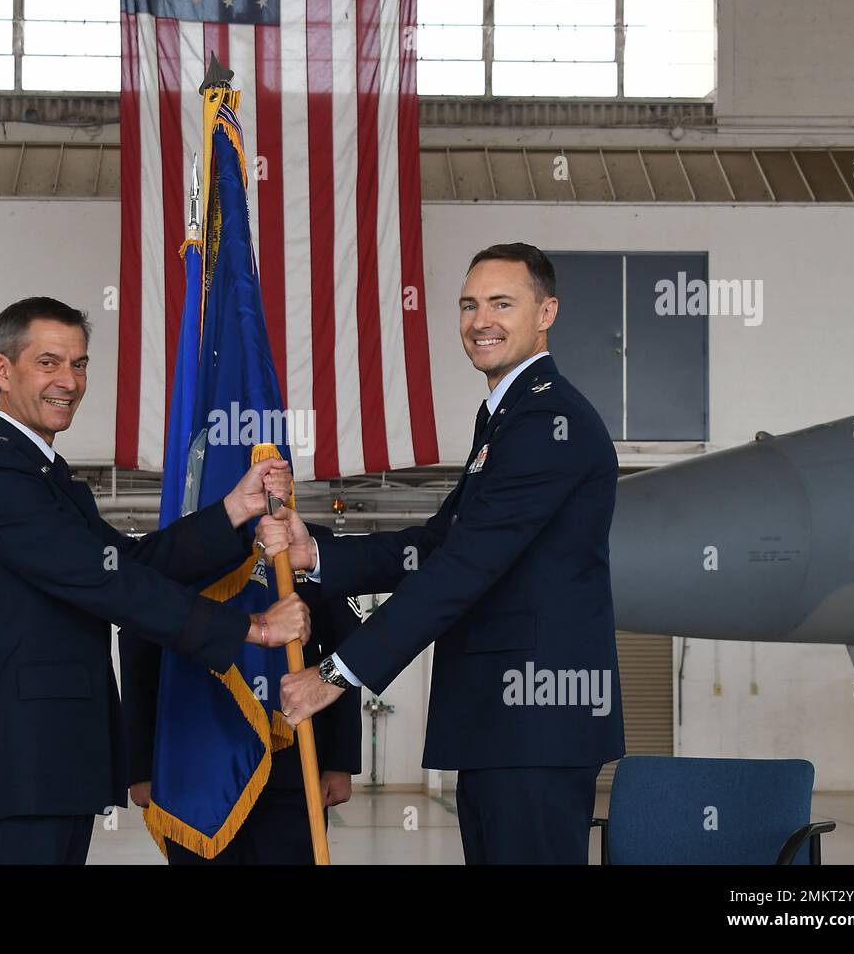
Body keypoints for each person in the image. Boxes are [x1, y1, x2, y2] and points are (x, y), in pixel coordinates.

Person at [263, 243, 625, 864]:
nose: (480, 319)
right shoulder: (508, 419)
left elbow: (463, 568)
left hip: (536, 720)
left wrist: (336, 673)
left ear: (547, 312)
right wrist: (317, 555)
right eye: (469, 305)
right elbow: (432, 546)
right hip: (500, 722)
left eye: (502, 303)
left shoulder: (547, 421)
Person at [0, 296, 310, 864]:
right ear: (2, 370)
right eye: (49, 362)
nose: (69, 380)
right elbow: (106, 585)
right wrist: (251, 628)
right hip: (23, 758)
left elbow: (131, 564)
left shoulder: (41, 472)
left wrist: (234, 509)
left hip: (51, 757)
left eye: (79, 364)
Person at [121, 522, 362, 865]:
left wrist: (340, 761)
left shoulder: (313, 543)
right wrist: (141, 765)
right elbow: (139, 652)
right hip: (191, 762)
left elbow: (342, 653)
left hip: (291, 762)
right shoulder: (172, 545)